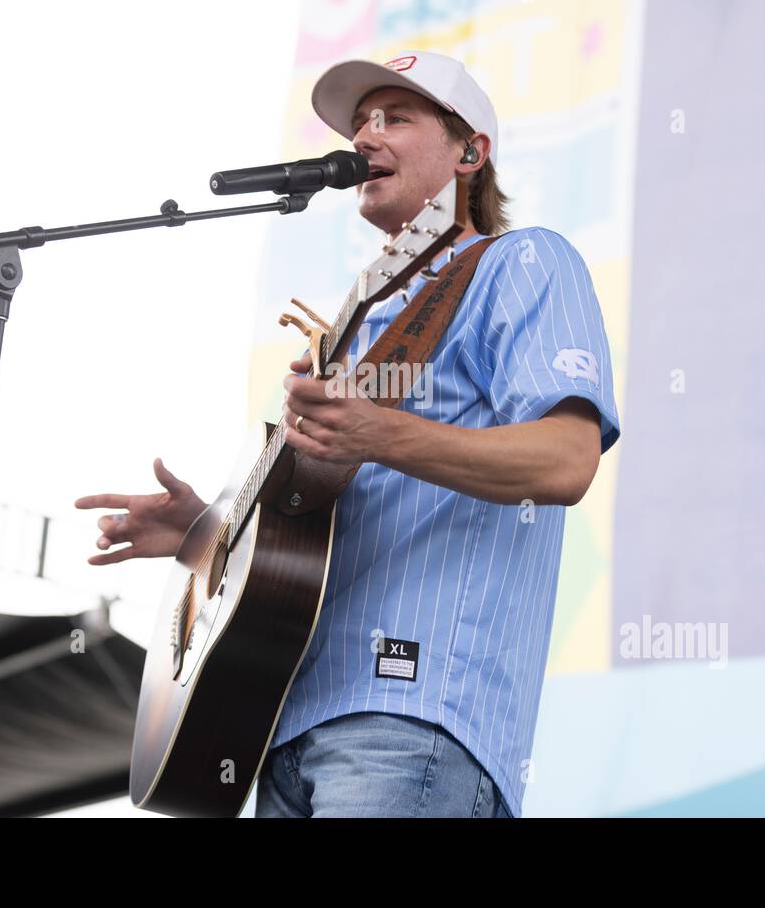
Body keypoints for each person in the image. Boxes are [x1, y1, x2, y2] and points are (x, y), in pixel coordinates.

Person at [75, 50, 621, 818]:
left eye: (396, 117)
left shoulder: (520, 262)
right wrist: (205, 534)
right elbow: (300, 540)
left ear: (471, 151)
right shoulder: (352, 332)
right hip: (286, 729)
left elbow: (566, 460)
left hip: (413, 717)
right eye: (362, 120)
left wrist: (380, 433)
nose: (367, 136)